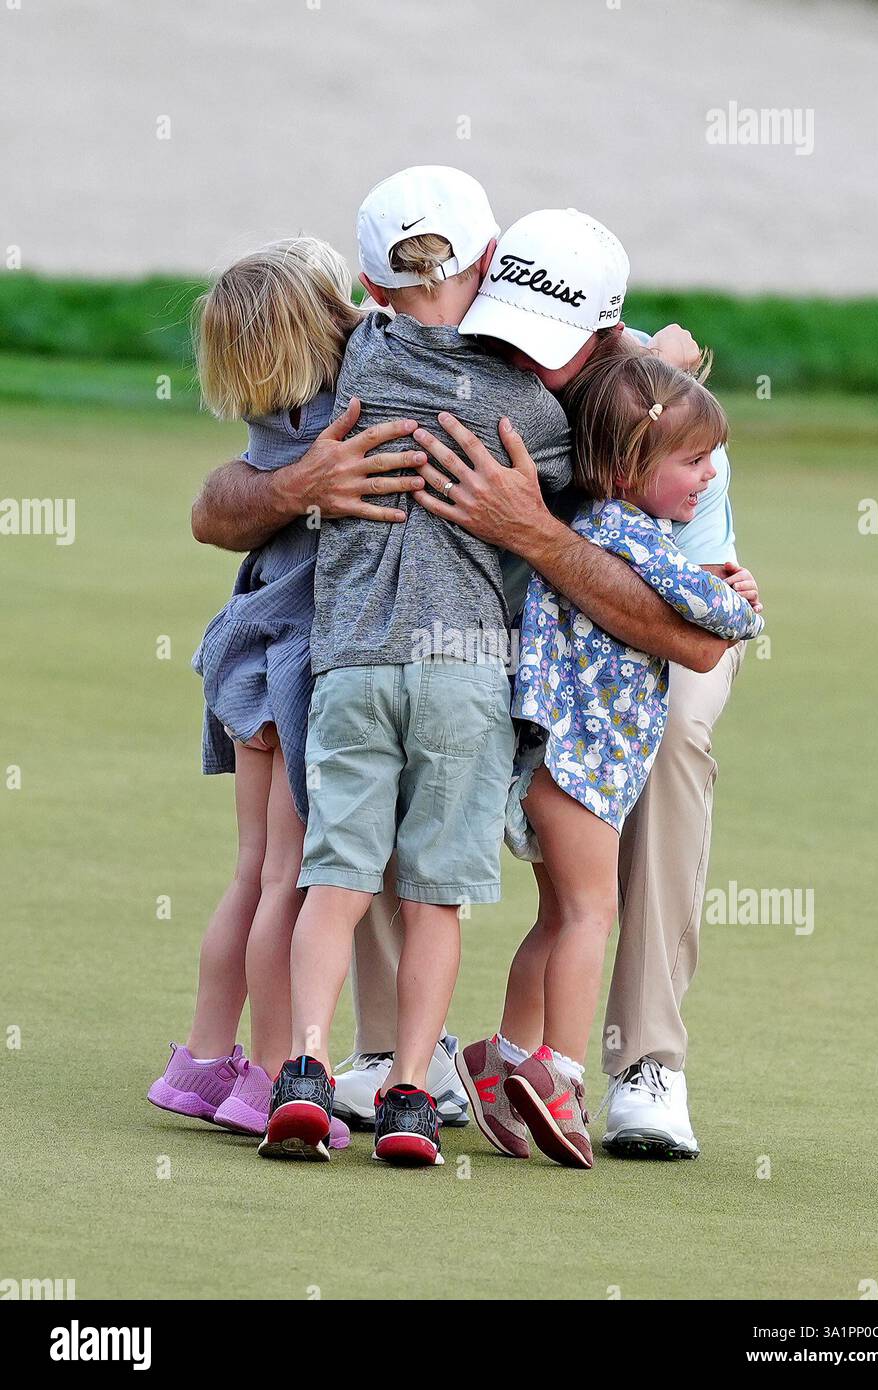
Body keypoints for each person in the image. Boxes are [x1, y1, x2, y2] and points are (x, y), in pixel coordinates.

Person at [189, 211, 743, 1161]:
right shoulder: (427, 335)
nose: (522, 359)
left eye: (553, 348)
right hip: (461, 642)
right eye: (508, 324)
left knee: (678, 734)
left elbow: (686, 640)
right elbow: (215, 506)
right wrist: (296, 486)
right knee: (379, 695)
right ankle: (404, 1057)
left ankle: (643, 1059)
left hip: (625, 639)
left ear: (609, 336)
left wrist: (533, 531)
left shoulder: (662, 421)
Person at [258, 167, 573, 1168]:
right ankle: (403, 1094)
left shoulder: (355, 361)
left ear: (369, 283)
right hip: (466, 672)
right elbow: (576, 484)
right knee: (435, 893)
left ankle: (303, 1069)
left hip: (352, 663)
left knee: (338, 877)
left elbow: (336, 312)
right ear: (489, 264)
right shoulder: (530, 404)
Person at [456, 342, 763, 1168]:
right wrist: (739, 598)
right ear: (631, 464)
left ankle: (498, 1062)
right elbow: (717, 618)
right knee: (593, 914)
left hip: (554, 757)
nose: (708, 477)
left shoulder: (594, 523)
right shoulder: (636, 537)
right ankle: (557, 1073)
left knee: (555, 917)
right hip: (586, 765)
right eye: (693, 461)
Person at [147, 236, 368, 1148]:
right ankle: (275, 1077)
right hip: (301, 668)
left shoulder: (270, 421)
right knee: (290, 877)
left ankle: (204, 1060)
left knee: (249, 873)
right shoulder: (349, 406)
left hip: (248, 658)